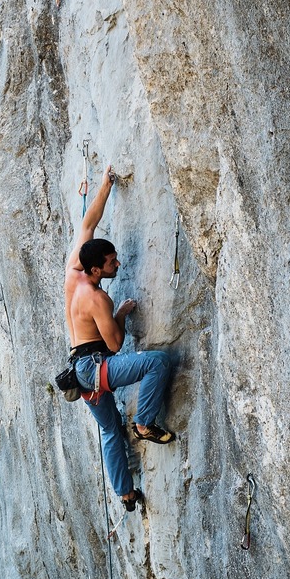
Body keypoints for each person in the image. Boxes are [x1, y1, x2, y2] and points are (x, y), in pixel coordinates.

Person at [64, 164, 175, 512]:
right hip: (98, 368)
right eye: (111, 263)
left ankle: (126, 495)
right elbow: (114, 346)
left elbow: (88, 224)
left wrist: (105, 184)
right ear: (95, 270)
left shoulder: (74, 271)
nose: (118, 265)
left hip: (81, 373)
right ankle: (144, 423)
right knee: (157, 362)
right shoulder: (98, 298)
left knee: (111, 431)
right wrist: (121, 314)